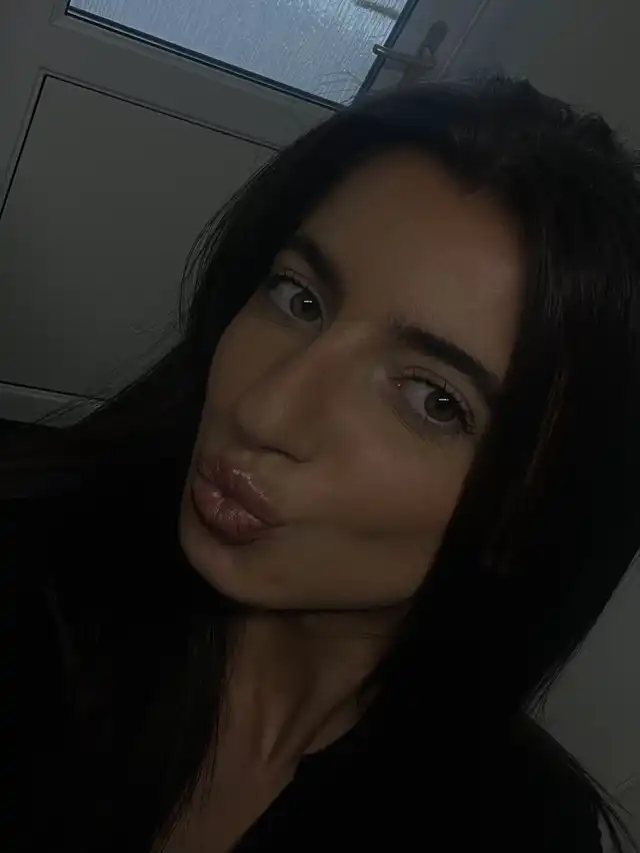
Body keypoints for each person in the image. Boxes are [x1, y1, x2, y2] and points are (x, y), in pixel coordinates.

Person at [2, 75, 640, 853]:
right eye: (298, 298)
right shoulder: (34, 575)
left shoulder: (523, 827)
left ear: (531, 510)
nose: (264, 411)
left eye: (434, 399)